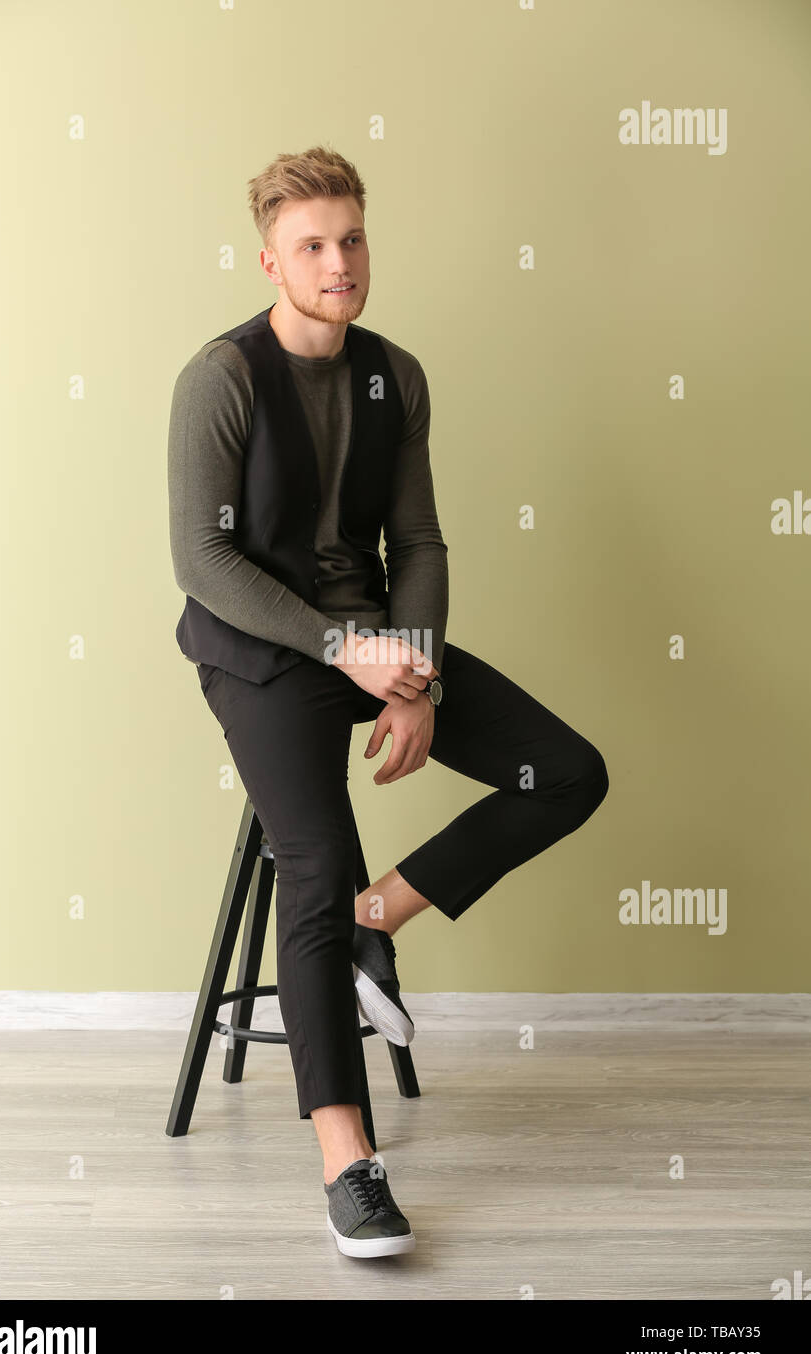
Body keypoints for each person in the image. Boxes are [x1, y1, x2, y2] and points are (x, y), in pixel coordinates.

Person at [167, 145, 609, 1260]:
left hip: (378, 644)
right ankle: (348, 1166)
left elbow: (414, 539)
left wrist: (414, 672)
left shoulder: (391, 374)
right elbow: (204, 564)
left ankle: (379, 923)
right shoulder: (219, 379)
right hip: (262, 653)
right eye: (312, 244)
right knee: (309, 861)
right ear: (269, 257)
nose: (338, 262)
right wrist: (343, 651)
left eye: (351, 239)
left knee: (564, 768)